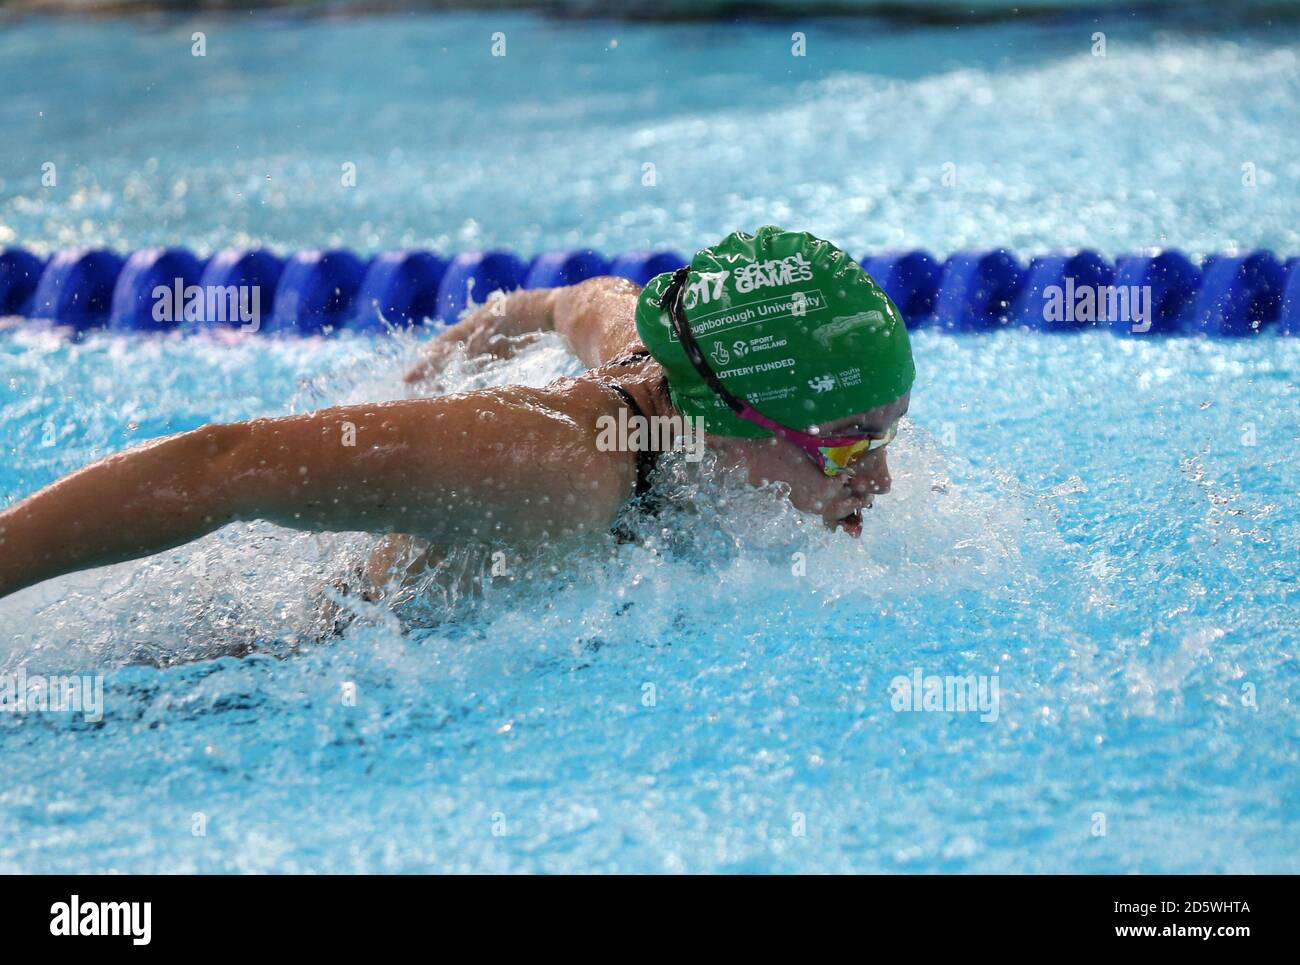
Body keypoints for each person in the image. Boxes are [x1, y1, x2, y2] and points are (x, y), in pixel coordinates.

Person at [0, 227, 914, 607]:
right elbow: (223, 462)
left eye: (886, 438)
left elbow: (570, 302)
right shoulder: (559, 459)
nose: (880, 479)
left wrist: (466, 338)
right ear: (737, 416)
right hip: (261, 670)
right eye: (847, 446)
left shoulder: (673, 370)